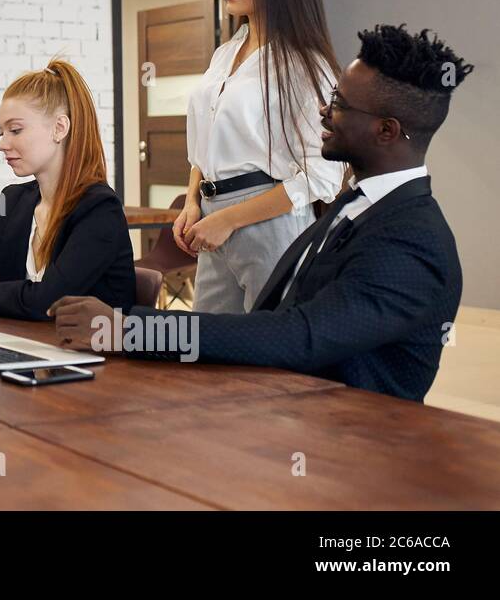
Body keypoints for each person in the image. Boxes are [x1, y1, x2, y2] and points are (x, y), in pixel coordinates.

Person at [51, 24, 470, 402]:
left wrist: (130, 329)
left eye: (339, 104)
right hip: (284, 407)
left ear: (387, 131)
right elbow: (275, 323)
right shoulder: (357, 205)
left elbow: (300, 336)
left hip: (347, 444)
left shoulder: (412, 240)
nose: (323, 112)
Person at [173, 0, 345, 313]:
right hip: (211, 216)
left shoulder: (308, 67)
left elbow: (323, 177)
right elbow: (203, 149)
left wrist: (230, 219)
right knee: (208, 353)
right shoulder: (224, 55)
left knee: (265, 358)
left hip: (268, 220)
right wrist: (191, 203)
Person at [0, 59, 135, 321]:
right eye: (1, 132)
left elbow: (48, 302)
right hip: (25, 351)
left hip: (92, 358)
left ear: (60, 128)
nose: (2, 144)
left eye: (16, 130)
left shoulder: (100, 209)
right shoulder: (14, 200)